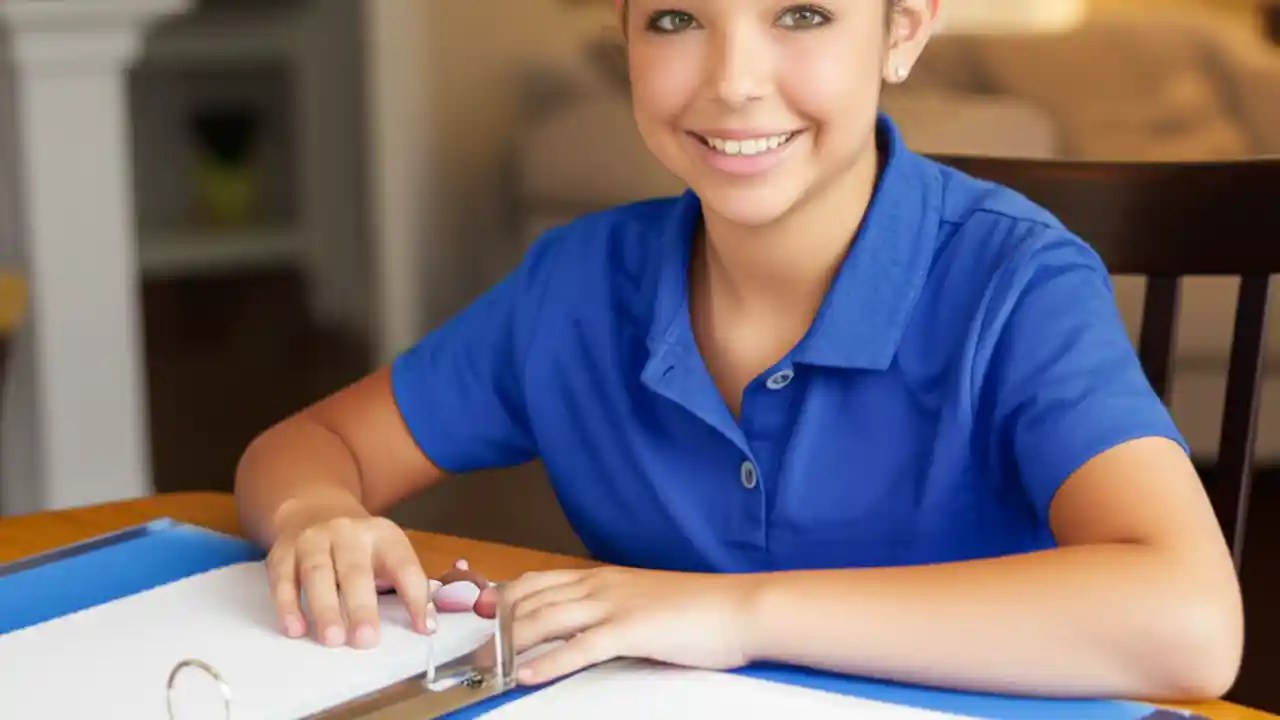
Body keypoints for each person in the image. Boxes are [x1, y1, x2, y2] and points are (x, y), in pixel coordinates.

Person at [233, 0, 1244, 701]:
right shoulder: (576, 286)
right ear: (622, 33)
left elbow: (1190, 625)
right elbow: (314, 444)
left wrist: (731, 614)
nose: (733, 82)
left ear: (902, 30)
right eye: (675, 19)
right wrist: (317, 512)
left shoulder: (1014, 284)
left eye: (800, 14)